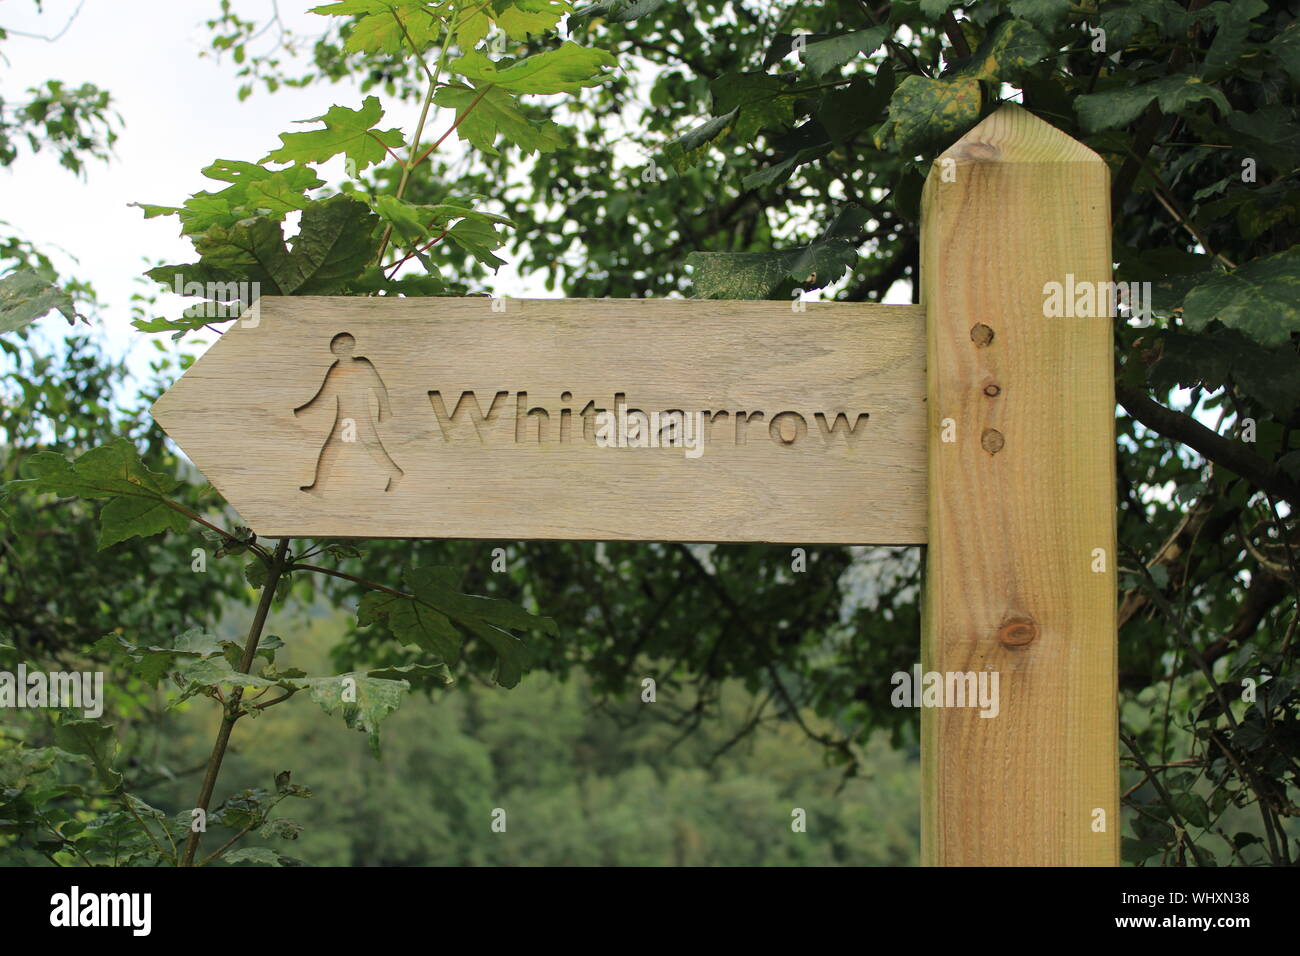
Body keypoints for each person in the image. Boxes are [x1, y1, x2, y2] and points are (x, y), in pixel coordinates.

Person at [294, 332, 404, 493]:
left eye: (342, 344)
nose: (338, 347)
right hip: (347, 420)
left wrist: (385, 409)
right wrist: (301, 412)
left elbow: (379, 388)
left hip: (357, 420)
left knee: (371, 447)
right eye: (337, 344)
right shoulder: (336, 372)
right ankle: (319, 488)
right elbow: (323, 398)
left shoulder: (363, 367)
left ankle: (395, 474)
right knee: (336, 448)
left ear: (351, 347)